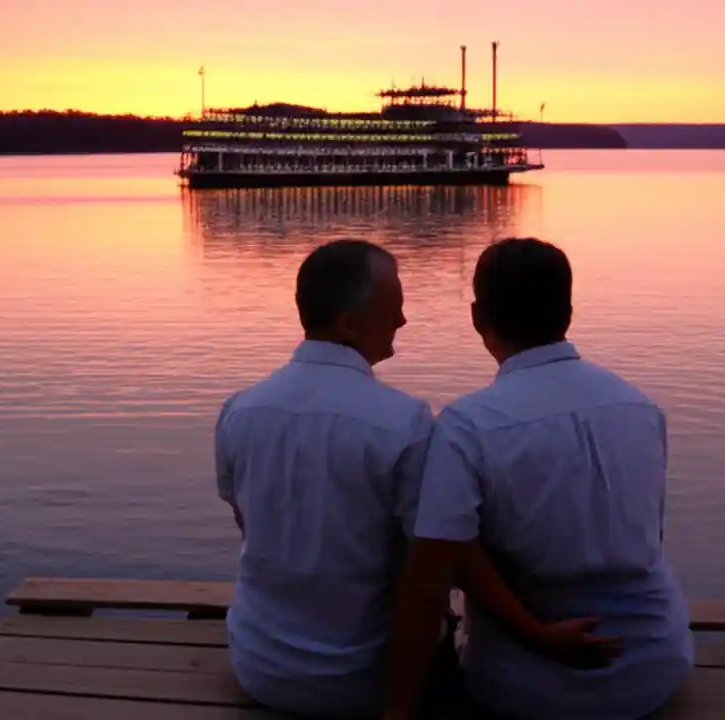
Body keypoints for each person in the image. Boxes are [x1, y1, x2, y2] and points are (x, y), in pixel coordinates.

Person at [217, 239, 614, 718]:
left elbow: (248, 523)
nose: (403, 321)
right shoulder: (403, 424)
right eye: (393, 309)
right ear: (348, 323)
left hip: (261, 666)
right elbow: (435, 571)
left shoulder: (240, 411)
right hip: (357, 681)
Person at [385, 238, 694, 719]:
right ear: (568, 313)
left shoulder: (468, 425)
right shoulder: (639, 407)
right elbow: (647, 536)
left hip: (530, 684)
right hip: (655, 665)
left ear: (476, 317)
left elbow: (430, 580)